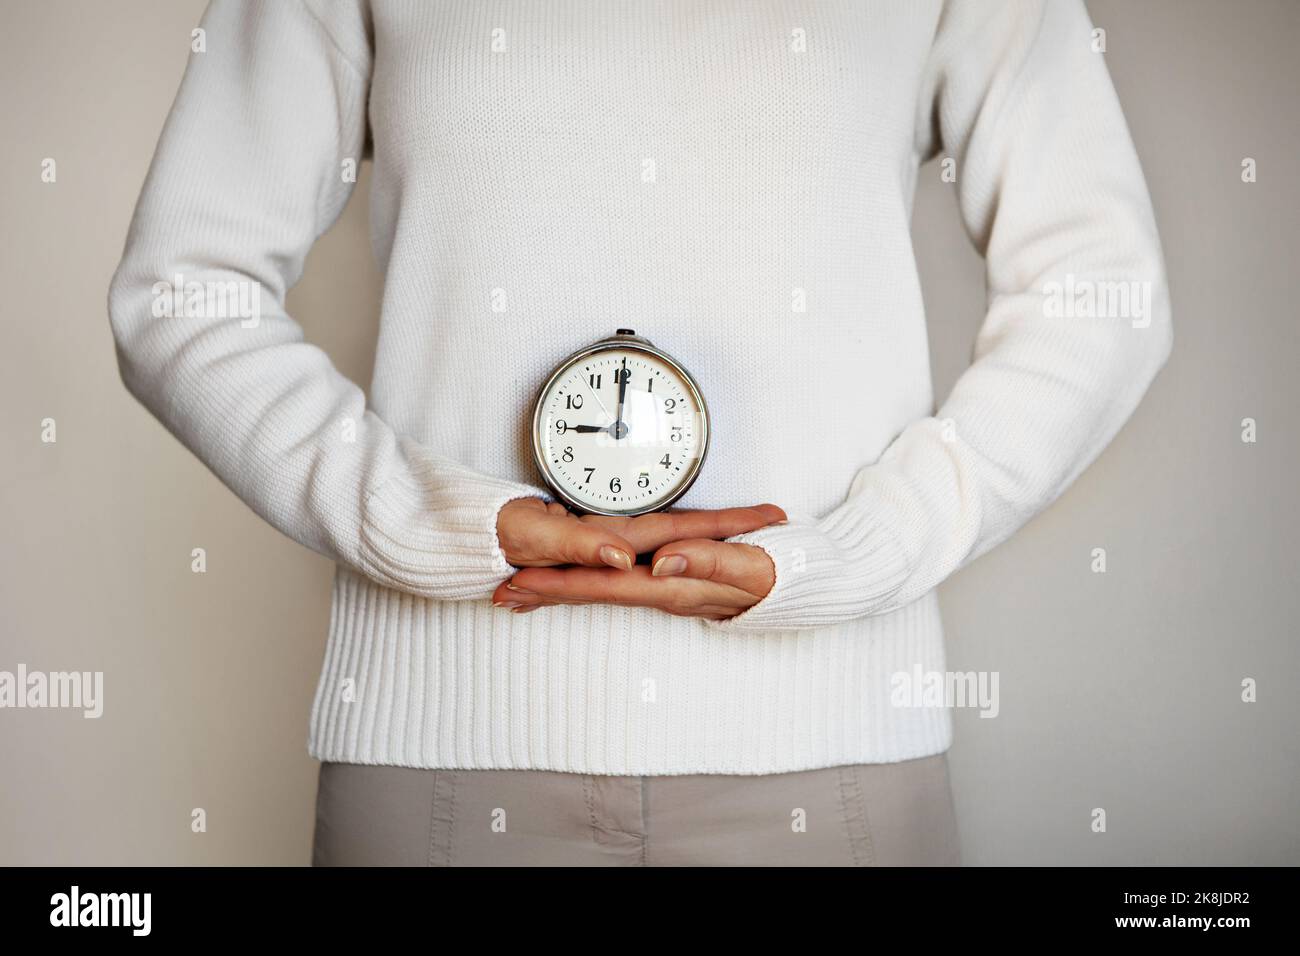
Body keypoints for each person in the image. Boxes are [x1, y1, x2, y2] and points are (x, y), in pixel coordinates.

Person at [108, 0, 1170, 866]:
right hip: (443, 764)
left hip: (834, 759)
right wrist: (417, 518)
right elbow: (184, 288)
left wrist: (864, 551)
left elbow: (1102, 293)